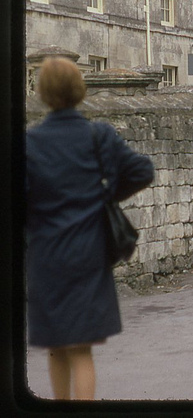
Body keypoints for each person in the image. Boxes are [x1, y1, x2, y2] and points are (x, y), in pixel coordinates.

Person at [24, 57, 155, 400]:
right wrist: (105, 196)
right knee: (82, 351)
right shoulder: (98, 136)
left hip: (46, 255)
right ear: (80, 90)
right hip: (90, 250)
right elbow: (142, 171)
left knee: (56, 346)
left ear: (43, 93)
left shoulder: (30, 144)